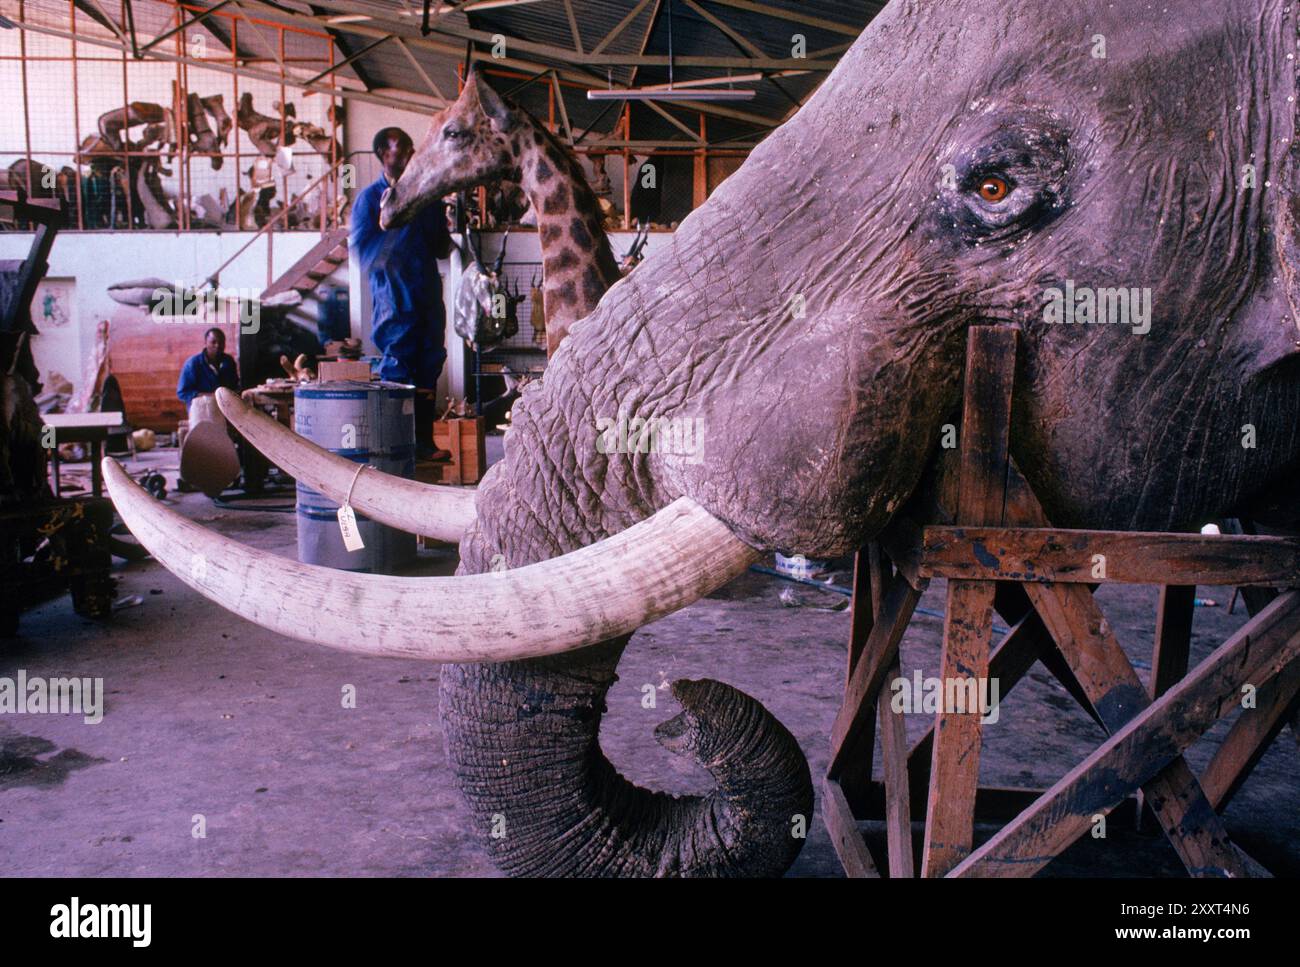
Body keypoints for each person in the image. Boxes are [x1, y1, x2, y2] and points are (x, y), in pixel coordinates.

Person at [351, 126, 453, 457]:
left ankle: (424, 442)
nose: (409, 154)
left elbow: (440, 247)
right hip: (393, 297)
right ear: (383, 153)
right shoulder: (369, 199)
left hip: (426, 292)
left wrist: (448, 222)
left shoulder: (427, 195)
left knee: (430, 361)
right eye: (401, 148)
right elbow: (363, 253)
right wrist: (395, 229)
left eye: (411, 147)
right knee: (399, 364)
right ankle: (396, 445)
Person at [177, 327, 239, 408]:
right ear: (205, 343)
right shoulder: (193, 364)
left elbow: (235, 386)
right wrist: (213, 396)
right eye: (213, 342)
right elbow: (183, 393)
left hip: (225, 409)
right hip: (201, 410)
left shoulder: (229, 361)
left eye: (221, 342)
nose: (217, 345)